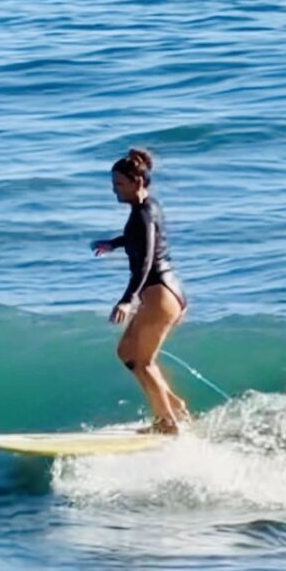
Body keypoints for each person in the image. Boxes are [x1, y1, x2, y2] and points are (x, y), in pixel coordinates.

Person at [92, 147, 193, 434]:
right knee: (127, 352)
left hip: (160, 293)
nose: (115, 192)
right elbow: (137, 238)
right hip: (167, 292)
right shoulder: (145, 208)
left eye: (119, 185)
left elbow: (146, 260)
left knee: (144, 361)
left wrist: (126, 300)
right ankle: (173, 406)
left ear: (137, 182)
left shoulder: (144, 213)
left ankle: (167, 423)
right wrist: (114, 243)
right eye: (113, 186)